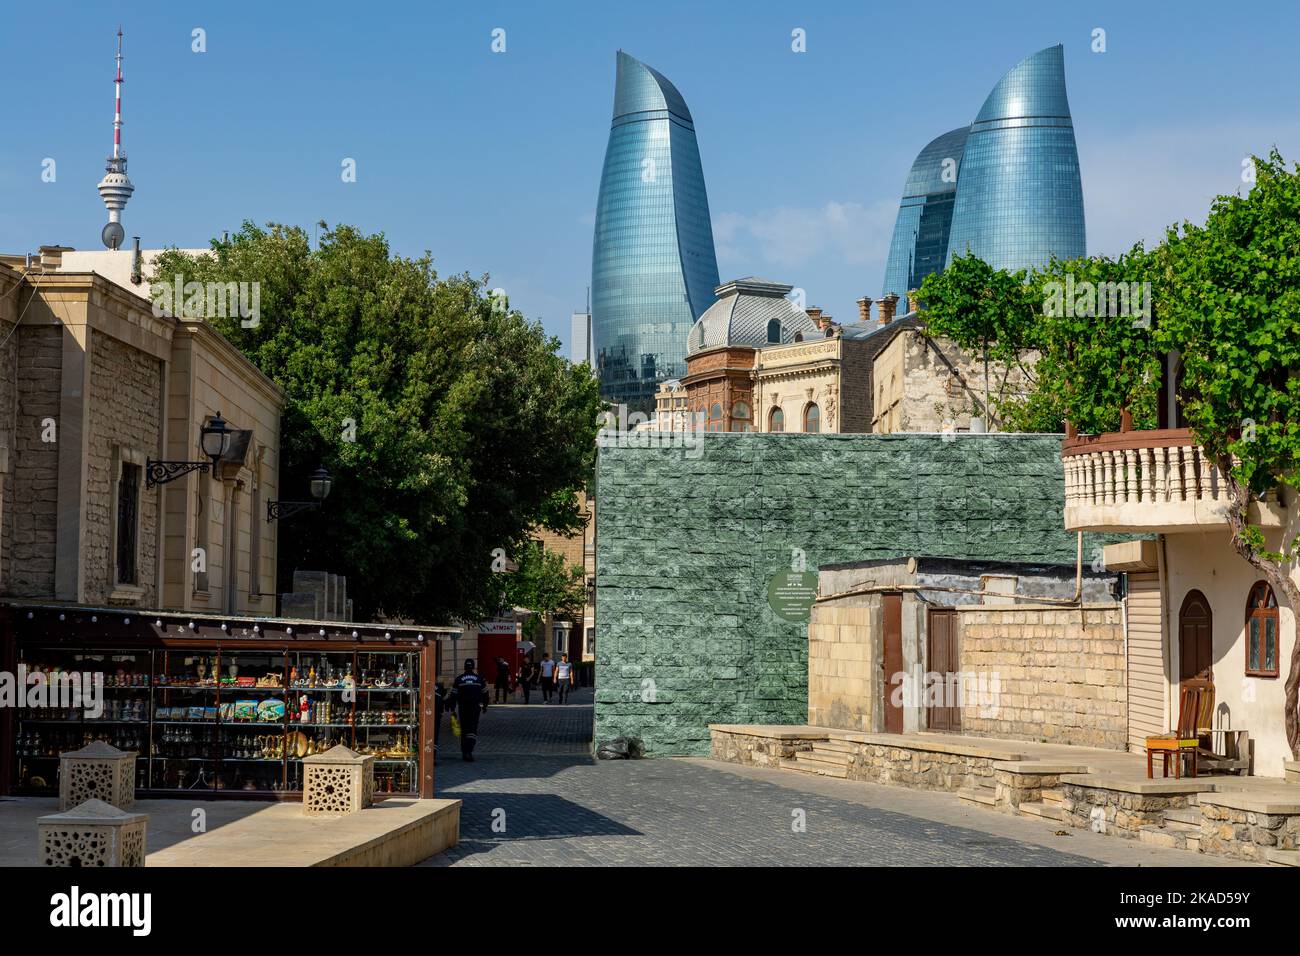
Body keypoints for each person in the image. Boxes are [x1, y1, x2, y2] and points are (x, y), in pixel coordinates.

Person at [447, 658, 489, 761]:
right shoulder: (479, 679)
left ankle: (464, 752)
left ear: (465, 666)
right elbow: (485, 694)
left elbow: (453, 695)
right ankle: (469, 751)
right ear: (473, 666)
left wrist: (452, 709)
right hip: (475, 708)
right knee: (473, 729)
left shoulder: (459, 679)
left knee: (465, 729)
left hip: (463, 707)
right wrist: (485, 706)